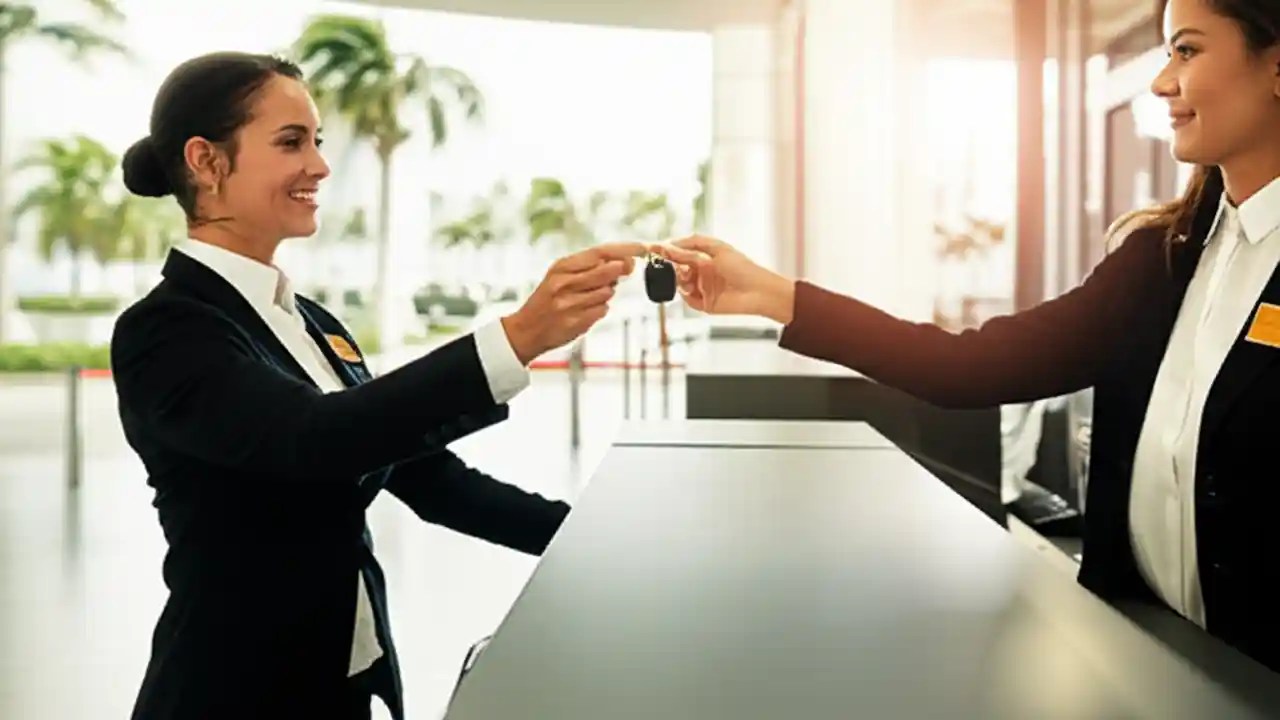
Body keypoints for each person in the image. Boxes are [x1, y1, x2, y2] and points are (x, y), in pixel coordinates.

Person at [654, 0, 1280, 674]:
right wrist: (774, 296)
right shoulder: (1162, 257)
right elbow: (971, 367)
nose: (1162, 82)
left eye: (1186, 51)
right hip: (1148, 664)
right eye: (1165, 54)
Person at [111, 51, 644, 720]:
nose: (319, 165)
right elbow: (315, 441)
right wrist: (516, 339)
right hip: (233, 692)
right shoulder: (165, 331)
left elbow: (431, 481)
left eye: (317, 141)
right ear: (207, 162)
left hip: (343, 682)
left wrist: (596, 541)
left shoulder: (311, 325)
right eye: (290, 142)